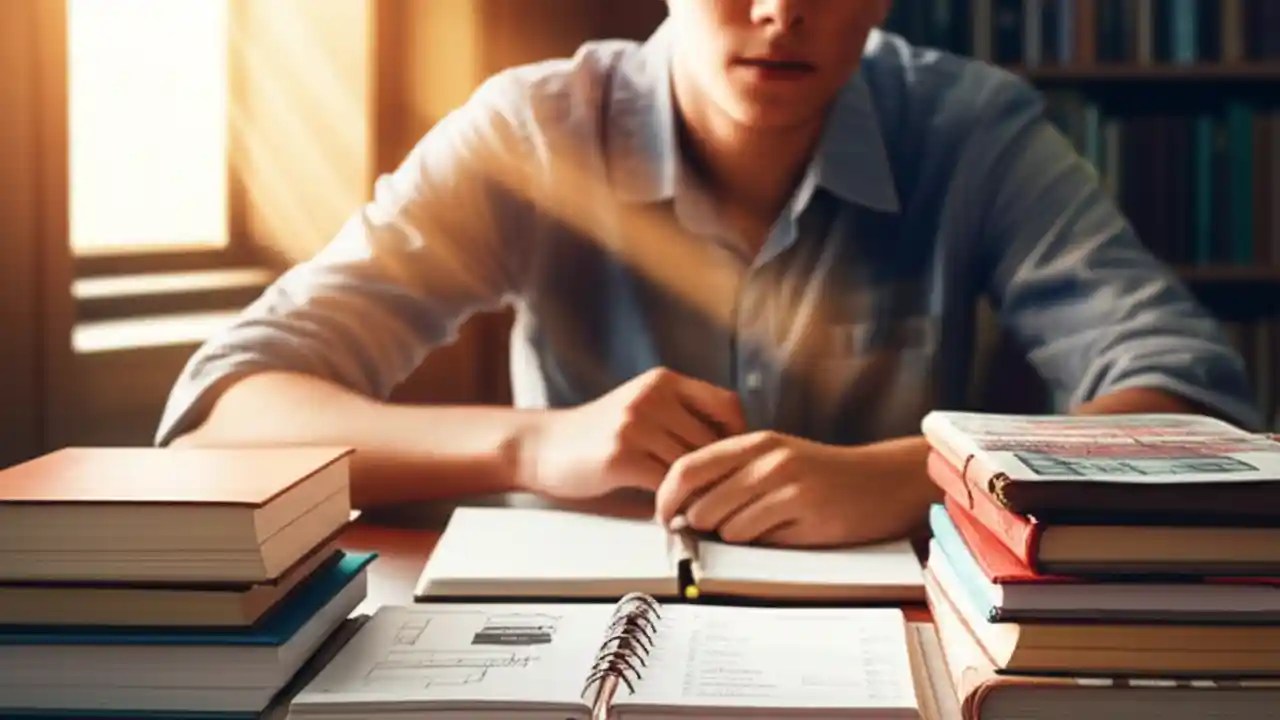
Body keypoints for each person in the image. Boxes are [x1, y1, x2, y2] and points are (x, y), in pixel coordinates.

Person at [158, 0, 1259, 548]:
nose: (782, 11)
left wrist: (905, 474)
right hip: (571, 639)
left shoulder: (968, 126)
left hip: (892, 647)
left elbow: (1190, 401)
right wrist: (534, 442)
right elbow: (227, 418)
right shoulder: (533, 130)